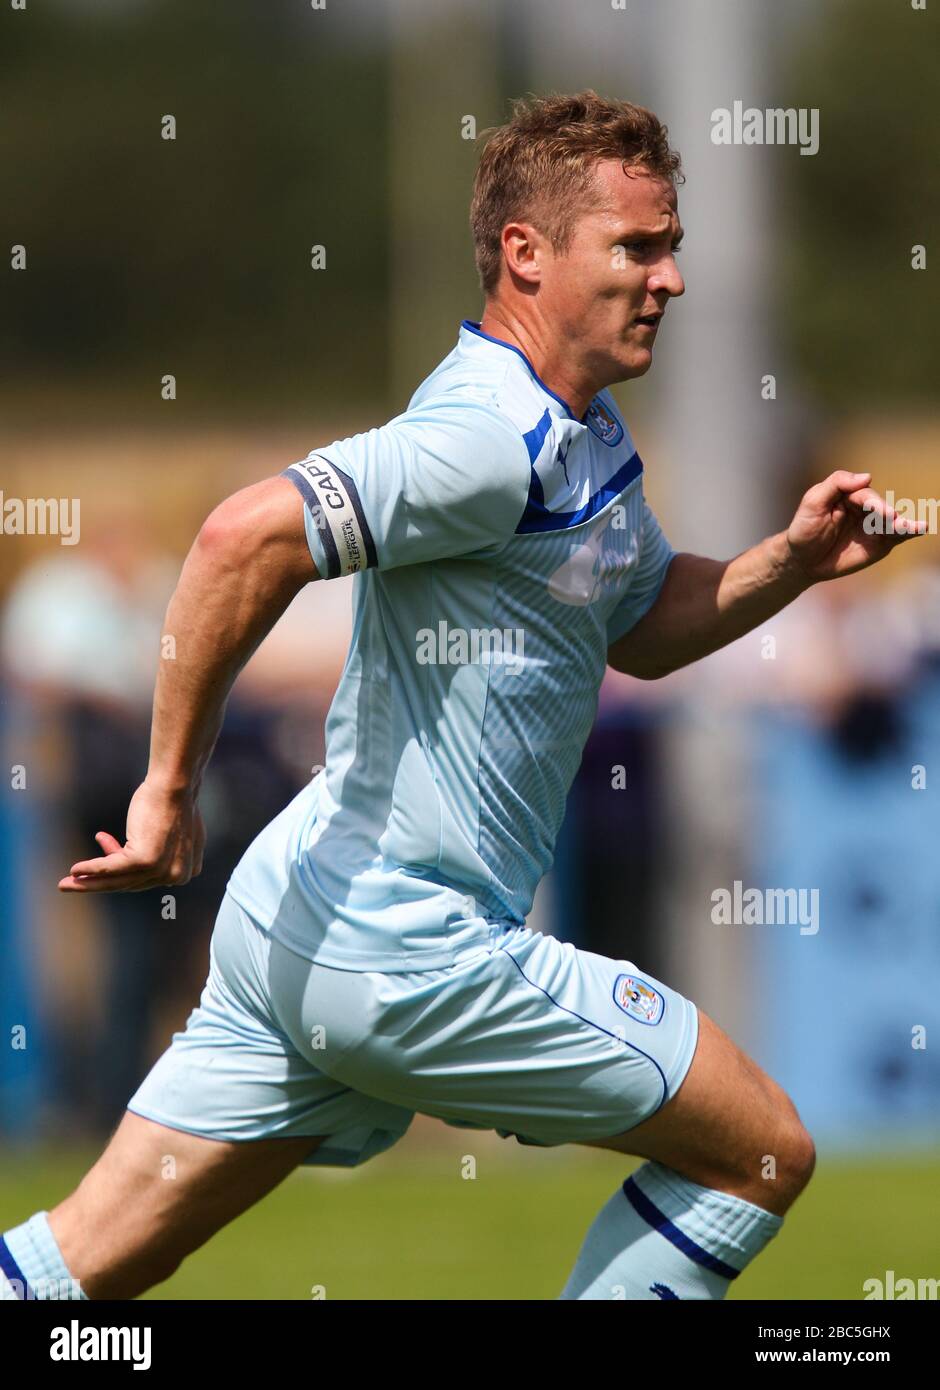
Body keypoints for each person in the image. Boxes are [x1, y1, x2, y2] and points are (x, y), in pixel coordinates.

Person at [1, 91, 923, 1302]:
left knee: (72, 1270)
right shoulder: (486, 436)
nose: (670, 278)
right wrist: (169, 788)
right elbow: (239, 539)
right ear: (526, 255)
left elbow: (639, 626)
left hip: (306, 917)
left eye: (673, 245)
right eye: (638, 247)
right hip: (410, 948)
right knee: (760, 1150)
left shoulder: (579, 434)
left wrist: (787, 564)